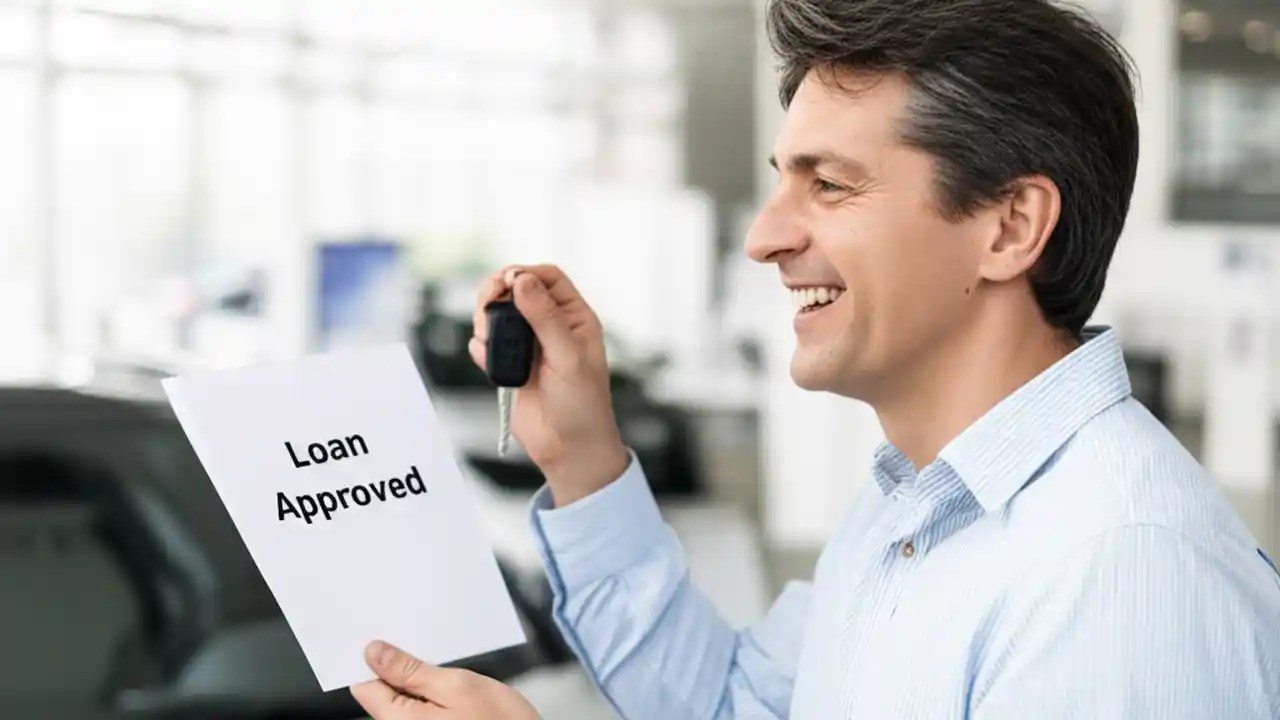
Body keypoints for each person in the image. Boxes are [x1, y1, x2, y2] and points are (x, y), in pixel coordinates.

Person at [351, 0, 1280, 718]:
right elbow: (734, 704)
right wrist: (584, 459)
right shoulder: (910, 501)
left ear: (1011, 227)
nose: (764, 238)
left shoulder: (1119, 578)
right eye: (782, 183)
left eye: (829, 185)